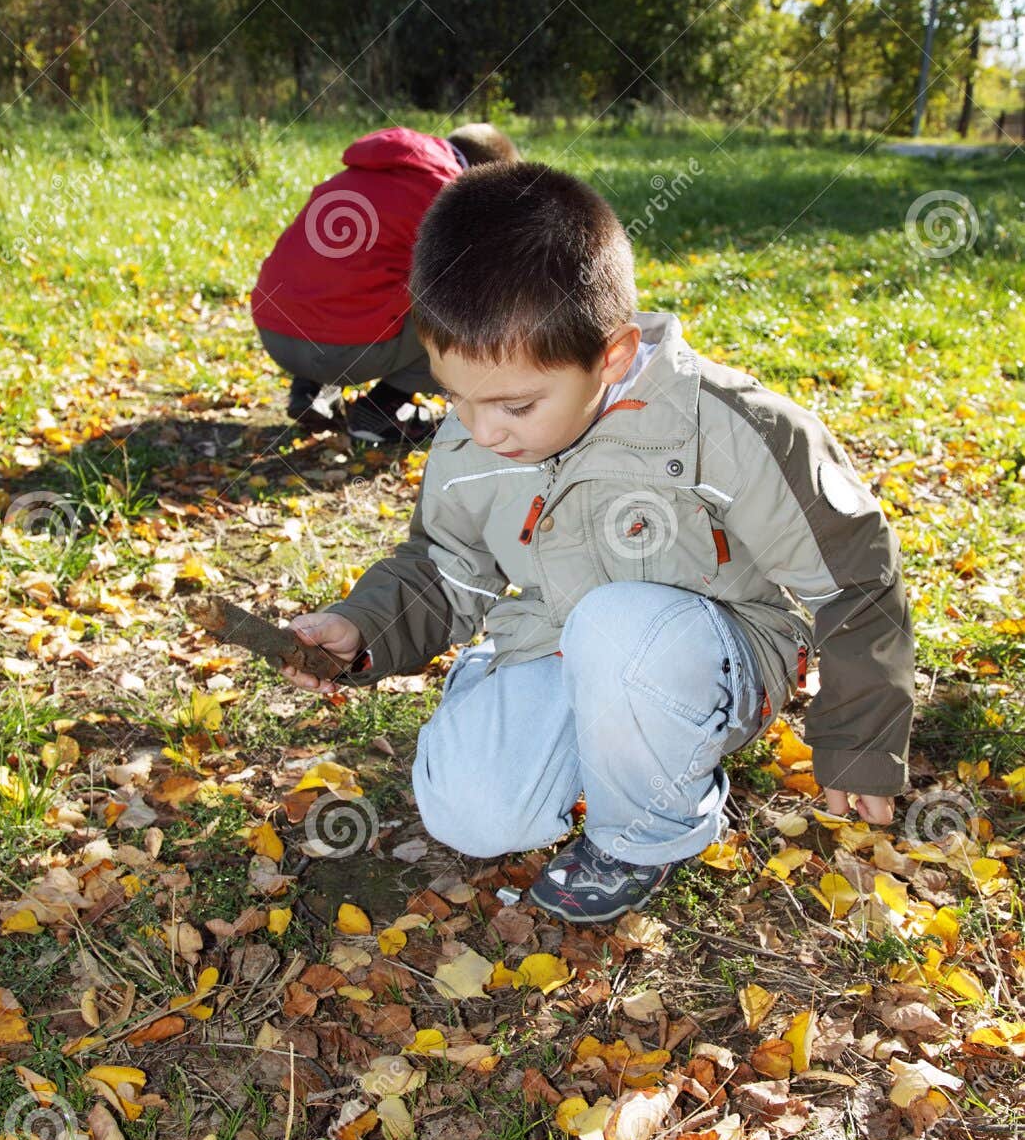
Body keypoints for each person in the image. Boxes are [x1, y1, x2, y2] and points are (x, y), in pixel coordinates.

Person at [279, 162, 915, 925]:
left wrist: (858, 738)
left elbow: (852, 578)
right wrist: (363, 626)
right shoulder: (475, 432)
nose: (483, 431)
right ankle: (536, 710)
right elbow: (447, 567)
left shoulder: (733, 428)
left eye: (514, 404)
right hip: (551, 639)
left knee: (617, 626)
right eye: (454, 397)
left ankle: (641, 832)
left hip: (712, 655)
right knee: (472, 816)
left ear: (609, 357)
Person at [251, 123, 520, 449]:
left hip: (274, 332)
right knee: (462, 311)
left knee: (340, 278)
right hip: (339, 352)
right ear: (484, 174)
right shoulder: (448, 195)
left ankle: (310, 390)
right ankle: (380, 412)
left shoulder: (361, 173)